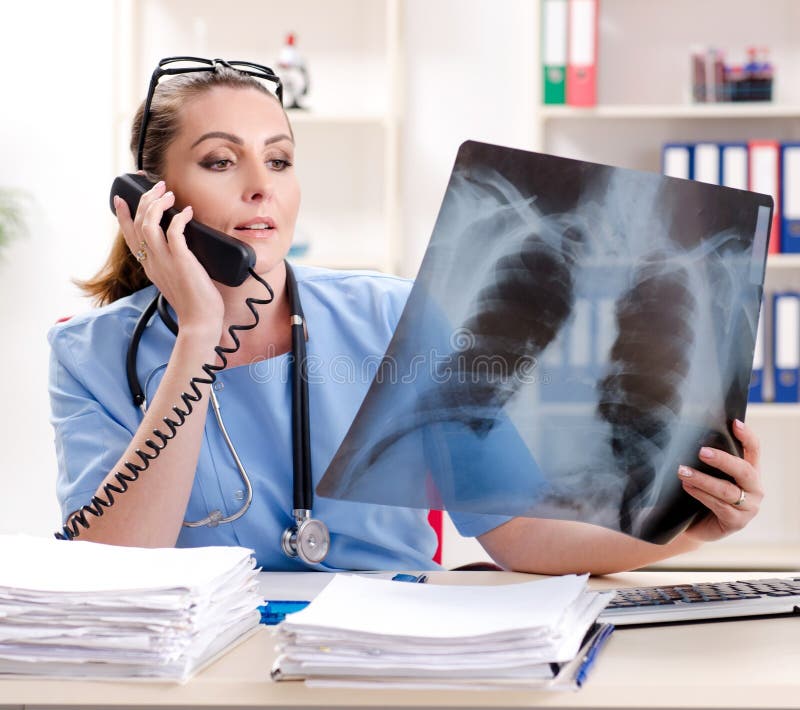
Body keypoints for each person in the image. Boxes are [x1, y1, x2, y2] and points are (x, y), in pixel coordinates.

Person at [48, 58, 764, 574]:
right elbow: (111, 570)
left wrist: (691, 529)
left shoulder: (391, 317)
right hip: (201, 672)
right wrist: (198, 336)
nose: (262, 188)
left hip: (385, 660)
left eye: (280, 160)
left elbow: (520, 535)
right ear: (148, 197)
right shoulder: (88, 355)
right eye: (220, 161)